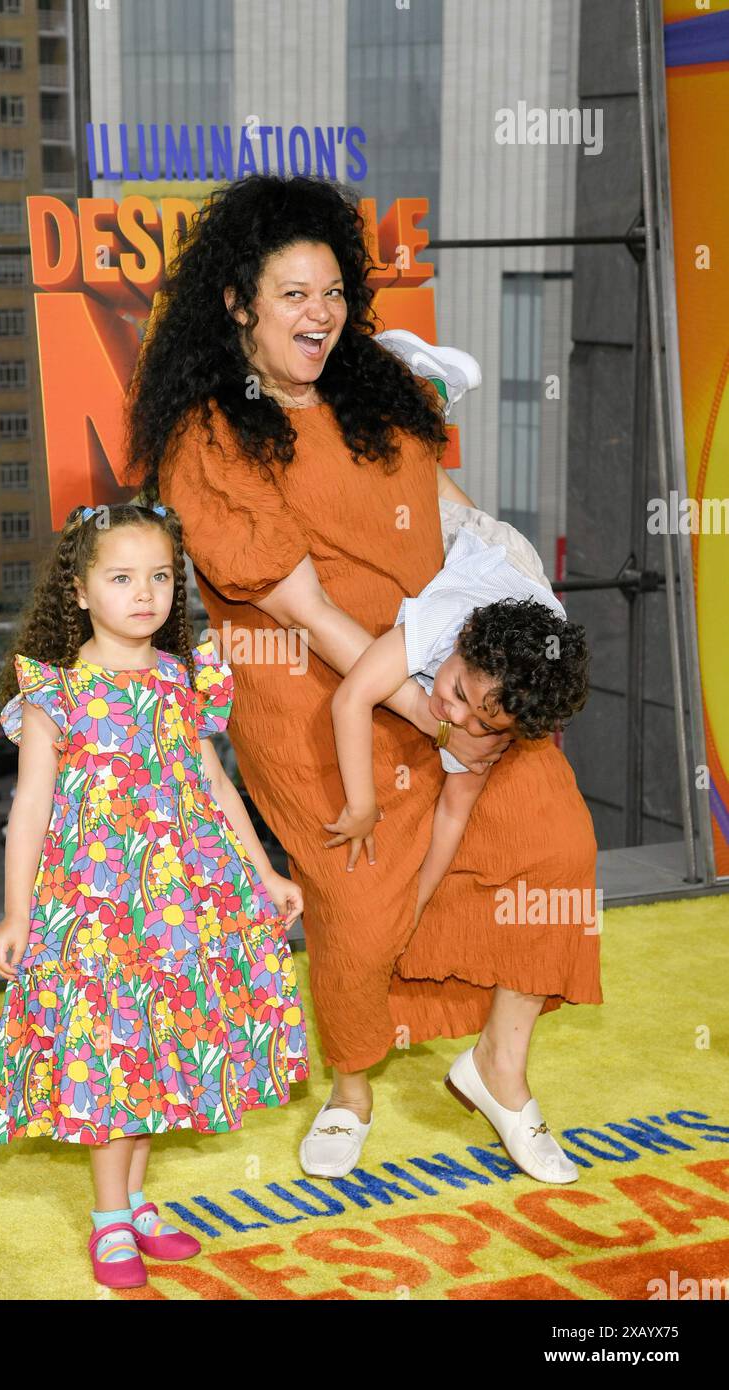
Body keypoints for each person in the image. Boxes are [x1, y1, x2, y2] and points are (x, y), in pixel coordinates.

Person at [124, 172, 601, 1187]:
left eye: (334, 291)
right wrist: (423, 709)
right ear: (237, 303)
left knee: (552, 838)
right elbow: (311, 616)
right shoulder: (209, 435)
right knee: (361, 900)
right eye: (294, 294)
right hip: (315, 694)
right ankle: (351, 1085)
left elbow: (451, 511)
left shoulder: (375, 385)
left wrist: (501, 635)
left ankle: (499, 1073)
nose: (321, 314)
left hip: (447, 669)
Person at [0, 501, 309, 1289]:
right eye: (122, 578)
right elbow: (28, 811)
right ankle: (108, 1220)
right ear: (81, 591)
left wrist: (260, 871)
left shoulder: (180, 676)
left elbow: (211, 782)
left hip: (179, 900)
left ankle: (133, 1202)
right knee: (107, 1048)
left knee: (158, 1041)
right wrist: (18, 911)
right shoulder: (54, 692)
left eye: (159, 577)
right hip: (94, 905)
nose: (145, 594)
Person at [323, 511, 590, 952]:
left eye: (483, 723)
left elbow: (453, 812)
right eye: (459, 693)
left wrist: (415, 908)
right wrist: (361, 805)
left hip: (538, 615)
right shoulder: (445, 620)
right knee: (429, 496)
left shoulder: (493, 720)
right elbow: (351, 698)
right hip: (502, 552)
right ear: (462, 642)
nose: (459, 719)